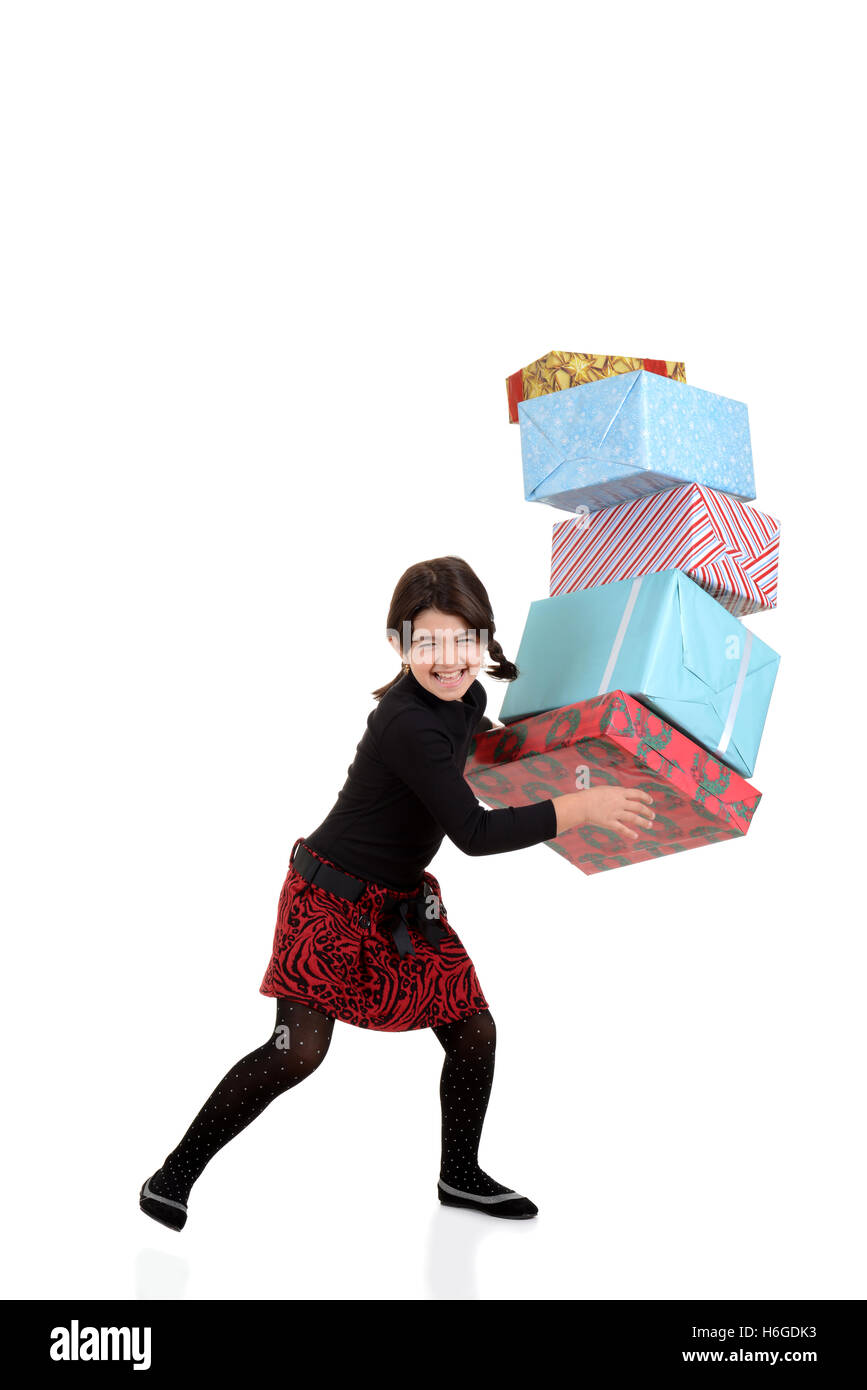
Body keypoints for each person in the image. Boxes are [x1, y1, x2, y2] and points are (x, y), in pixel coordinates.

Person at [139, 556, 654, 1230]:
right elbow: (471, 830)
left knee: (473, 1030)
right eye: (427, 644)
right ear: (398, 644)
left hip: (400, 907)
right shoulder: (405, 722)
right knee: (297, 1050)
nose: (448, 661)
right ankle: (172, 1174)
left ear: (485, 640)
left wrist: (587, 737)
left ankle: (460, 1177)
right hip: (326, 899)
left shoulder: (465, 699)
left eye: (463, 641)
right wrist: (576, 808)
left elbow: (482, 747)